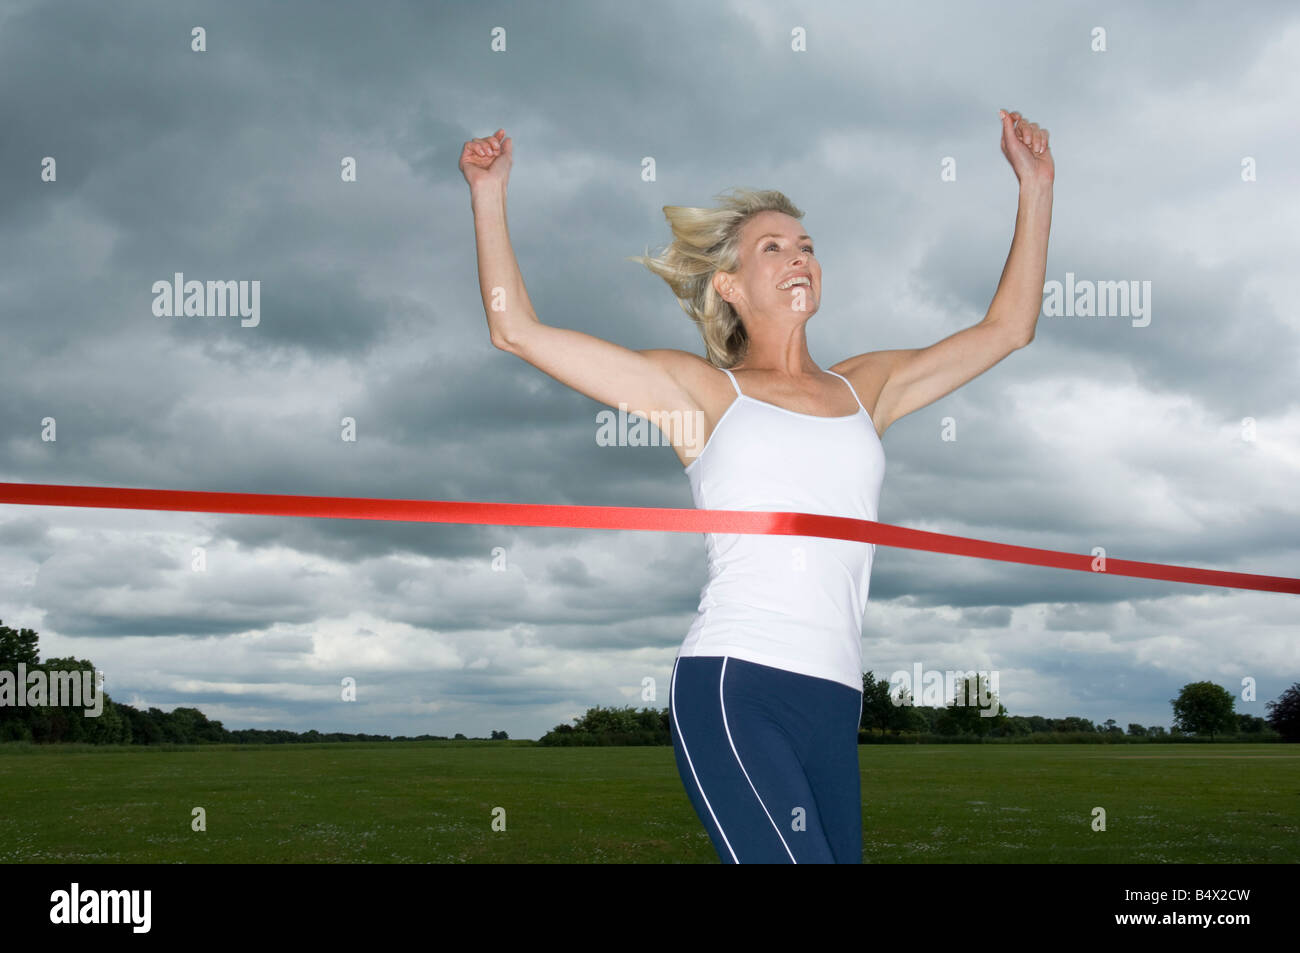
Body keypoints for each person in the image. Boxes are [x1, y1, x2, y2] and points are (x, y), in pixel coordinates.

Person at [459, 113, 1053, 862]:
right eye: (772, 247)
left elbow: (1010, 328)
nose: (798, 256)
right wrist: (488, 193)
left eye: (805, 245)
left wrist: (1036, 186)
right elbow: (518, 332)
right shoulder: (703, 394)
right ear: (731, 285)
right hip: (738, 685)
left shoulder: (868, 386)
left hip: (836, 701)